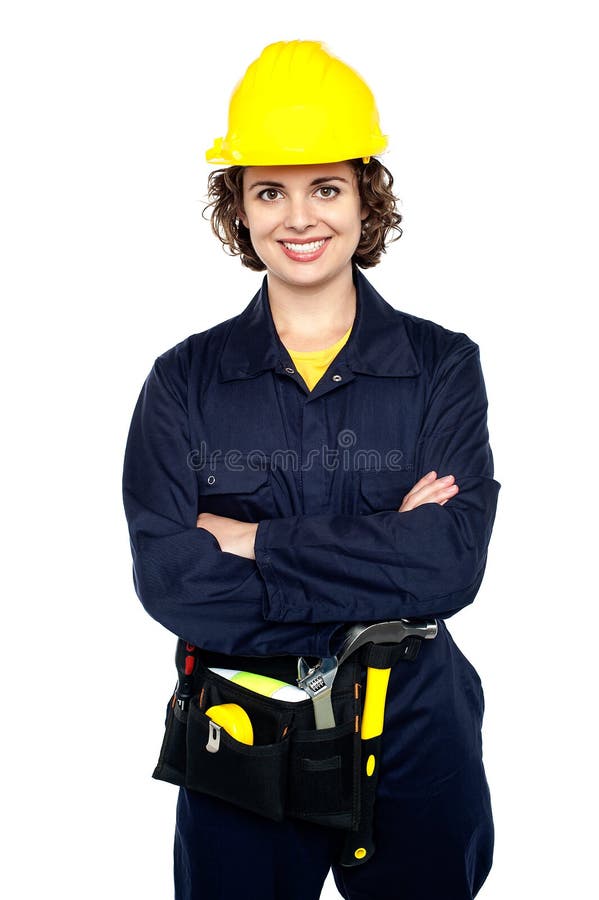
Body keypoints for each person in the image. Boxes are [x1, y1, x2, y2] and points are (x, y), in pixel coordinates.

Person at [122, 40, 501, 900]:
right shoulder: (182, 380)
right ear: (240, 209)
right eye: (270, 191)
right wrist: (380, 556)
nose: (300, 217)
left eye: (325, 187)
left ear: (366, 199)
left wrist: (252, 541)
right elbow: (171, 583)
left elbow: (446, 565)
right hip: (242, 730)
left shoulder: (442, 366)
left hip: (413, 725)